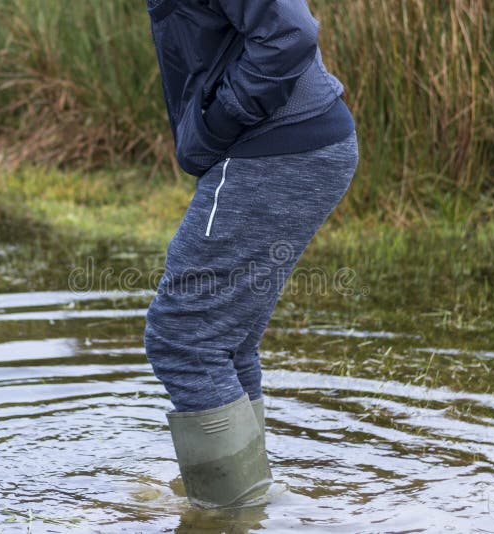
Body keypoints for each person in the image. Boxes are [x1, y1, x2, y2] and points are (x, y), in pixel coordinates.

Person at [144, 0, 359, 508]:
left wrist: (220, 120)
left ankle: (228, 513)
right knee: (226, 341)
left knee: (183, 339)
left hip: (275, 145)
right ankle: (249, 499)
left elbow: (290, 32)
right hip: (291, 142)